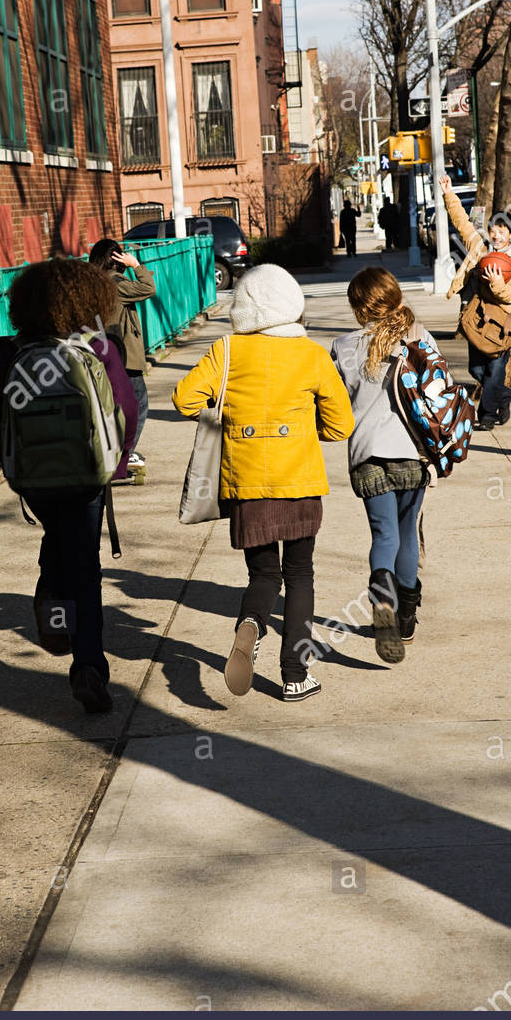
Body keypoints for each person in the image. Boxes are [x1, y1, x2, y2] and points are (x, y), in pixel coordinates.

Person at [172, 264, 354, 702]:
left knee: (263, 573)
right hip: (299, 482)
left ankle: (250, 624)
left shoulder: (227, 351)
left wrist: (228, 411)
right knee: (301, 574)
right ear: (292, 304)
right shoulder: (311, 355)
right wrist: (309, 430)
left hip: (246, 483)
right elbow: (341, 425)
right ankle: (294, 674)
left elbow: (184, 400)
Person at [0, 260, 137, 715]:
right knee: (85, 568)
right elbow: (125, 408)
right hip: (87, 475)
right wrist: (118, 462)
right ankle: (88, 664)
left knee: (57, 537)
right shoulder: (99, 347)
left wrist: (11, 461)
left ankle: (51, 602)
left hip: (35, 475)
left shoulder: (10, 350)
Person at [331, 267, 432, 664]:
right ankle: (404, 620)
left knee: (384, 536)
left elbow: (335, 407)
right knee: (408, 535)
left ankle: (381, 598)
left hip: (368, 455)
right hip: (413, 452)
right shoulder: (419, 338)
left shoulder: (342, 348)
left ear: (359, 309)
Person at [439, 174, 511, 431]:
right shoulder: (480, 248)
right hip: (476, 319)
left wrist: (497, 284)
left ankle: (486, 416)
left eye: (502, 231)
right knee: (477, 370)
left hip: (501, 322)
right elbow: (462, 223)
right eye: (493, 230)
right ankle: (504, 394)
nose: (497, 236)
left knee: (495, 370)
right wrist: (448, 194)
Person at [88, 238, 155, 466]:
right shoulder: (115, 283)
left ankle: (115, 452)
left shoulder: (95, 283)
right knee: (137, 404)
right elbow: (148, 288)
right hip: (125, 355)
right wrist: (136, 265)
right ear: (115, 258)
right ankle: (125, 454)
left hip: (104, 351)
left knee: (113, 405)